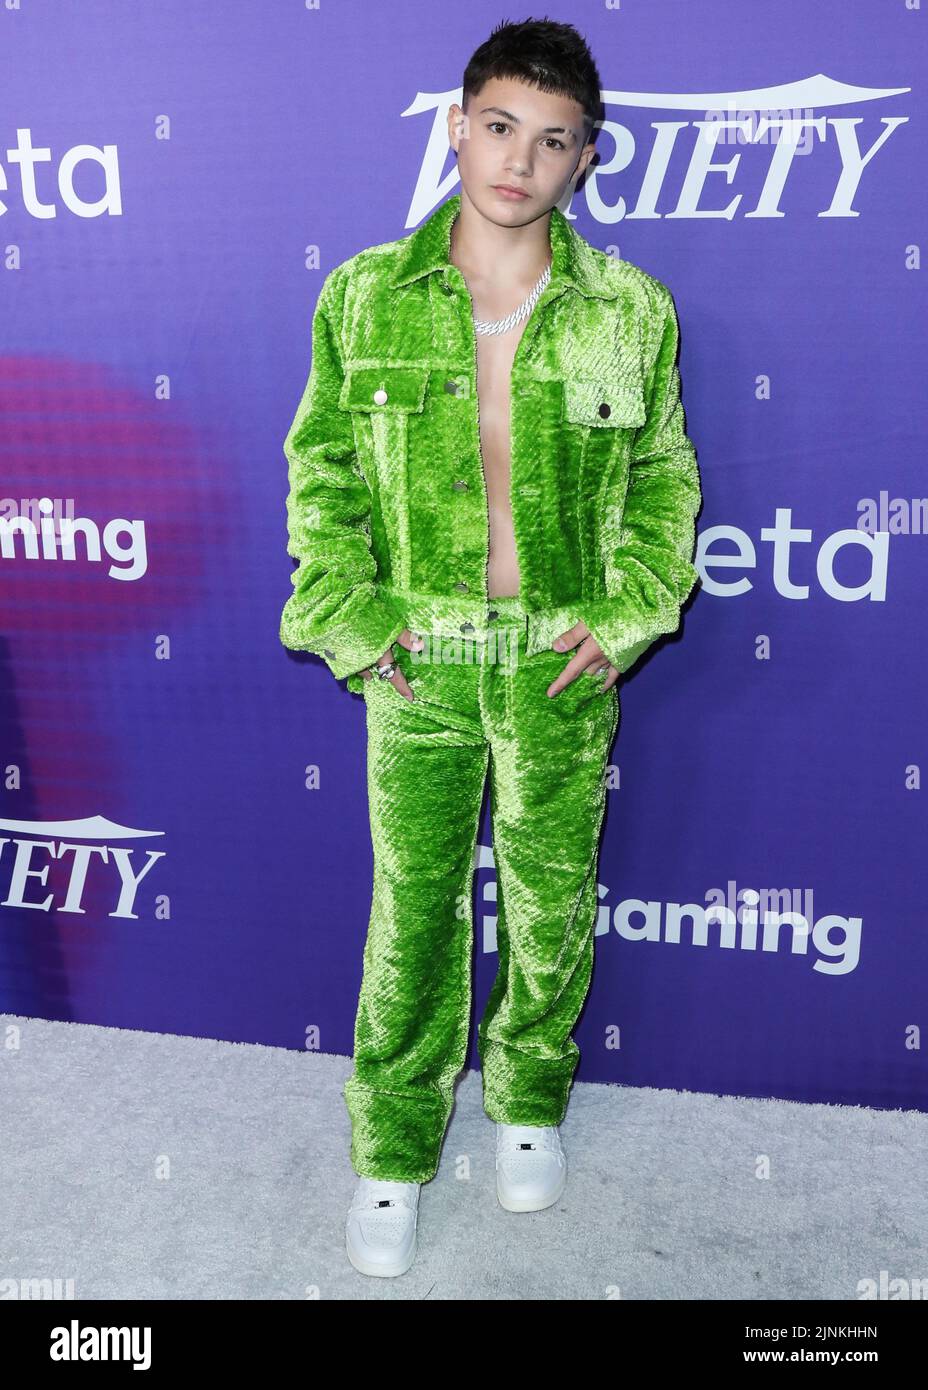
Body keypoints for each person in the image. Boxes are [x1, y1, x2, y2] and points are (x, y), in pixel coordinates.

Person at [280, 17, 702, 1278]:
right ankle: (393, 1148)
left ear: (585, 158)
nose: (519, 160)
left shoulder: (630, 309)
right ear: (457, 126)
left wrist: (624, 617)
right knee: (409, 912)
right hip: (417, 659)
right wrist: (355, 619)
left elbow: (666, 486)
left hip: (556, 659)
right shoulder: (363, 292)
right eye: (500, 126)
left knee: (549, 897)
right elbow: (321, 477)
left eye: (553, 140)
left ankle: (527, 1105)